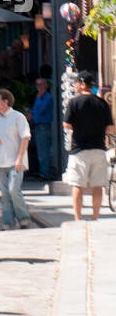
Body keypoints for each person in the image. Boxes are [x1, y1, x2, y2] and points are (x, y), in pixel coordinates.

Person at [64, 71, 114, 221]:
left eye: (77, 83)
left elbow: (66, 124)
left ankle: (78, 218)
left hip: (79, 149)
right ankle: (95, 217)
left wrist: (79, 127)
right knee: (97, 185)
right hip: (99, 148)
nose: (75, 86)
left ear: (83, 84)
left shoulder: (74, 102)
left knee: (77, 184)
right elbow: (110, 128)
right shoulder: (102, 103)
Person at [0, 88, 32, 230]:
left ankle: (23, 218)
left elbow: (25, 137)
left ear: (5, 101)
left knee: (14, 190)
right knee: (5, 194)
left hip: (15, 161)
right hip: (1, 162)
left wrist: (20, 158)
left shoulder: (18, 117)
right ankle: (7, 222)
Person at [29, 77, 54, 180]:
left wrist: (31, 115)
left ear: (46, 86)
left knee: (43, 151)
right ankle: (43, 172)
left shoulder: (47, 97)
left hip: (44, 126)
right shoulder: (38, 96)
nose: (39, 87)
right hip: (38, 126)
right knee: (40, 151)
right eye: (37, 85)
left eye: (41, 84)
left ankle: (45, 174)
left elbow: (40, 110)